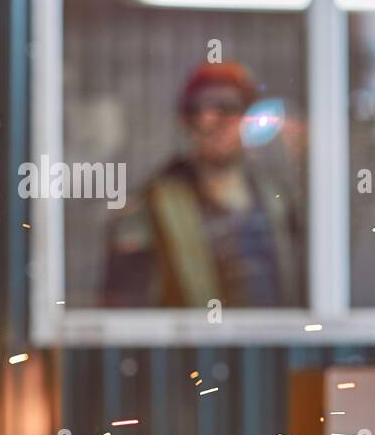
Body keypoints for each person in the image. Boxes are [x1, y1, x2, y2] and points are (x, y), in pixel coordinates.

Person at [105, 62, 302, 307]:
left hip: (278, 341)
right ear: (186, 122)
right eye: (196, 112)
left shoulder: (276, 200)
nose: (208, 121)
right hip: (189, 343)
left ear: (248, 117)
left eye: (226, 109)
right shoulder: (149, 208)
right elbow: (123, 308)